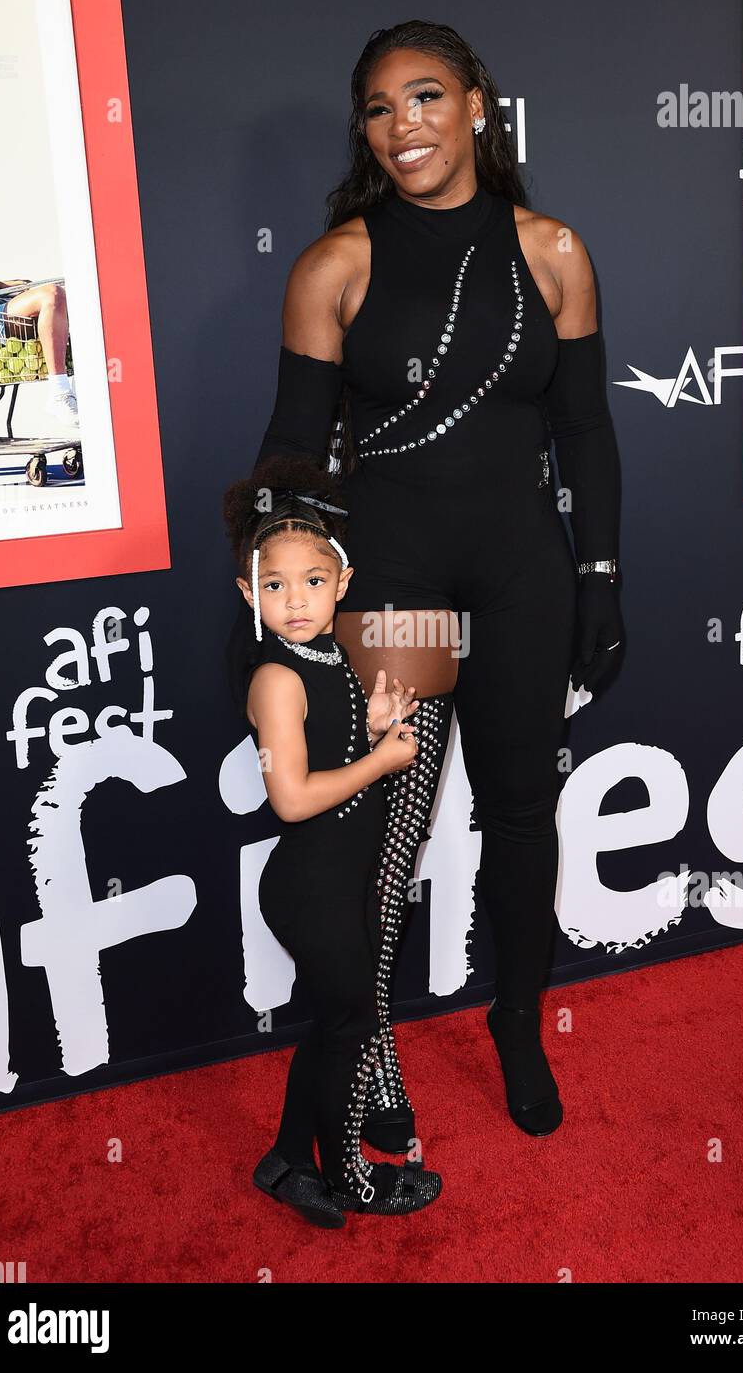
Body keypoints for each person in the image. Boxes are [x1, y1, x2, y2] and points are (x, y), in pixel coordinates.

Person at [235, 19, 623, 1148]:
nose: (401, 125)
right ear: (363, 130)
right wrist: (277, 613)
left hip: (519, 578)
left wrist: (596, 579)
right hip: (395, 583)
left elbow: (586, 431)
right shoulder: (336, 263)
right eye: (377, 107)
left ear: (474, 107)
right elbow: (288, 466)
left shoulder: (552, 251)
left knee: (519, 813)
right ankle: (373, 1052)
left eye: (423, 97)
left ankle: (514, 1020)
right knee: (380, 838)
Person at [223, 452, 443, 1224]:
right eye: (274, 586)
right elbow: (290, 799)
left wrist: (372, 725)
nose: (295, 600)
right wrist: (384, 759)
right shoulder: (276, 677)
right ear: (249, 592)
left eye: (312, 581)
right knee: (349, 1025)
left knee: (338, 1024)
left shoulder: (329, 654)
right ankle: (348, 1174)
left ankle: (287, 1160)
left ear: (341, 585)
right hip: (310, 885)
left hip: (337, 879)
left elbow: (331, 754)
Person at [0, 126, 79, 429]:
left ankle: (78, 390)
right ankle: (60, 393)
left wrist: (8, 288)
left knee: (64, 293)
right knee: (50, 295)